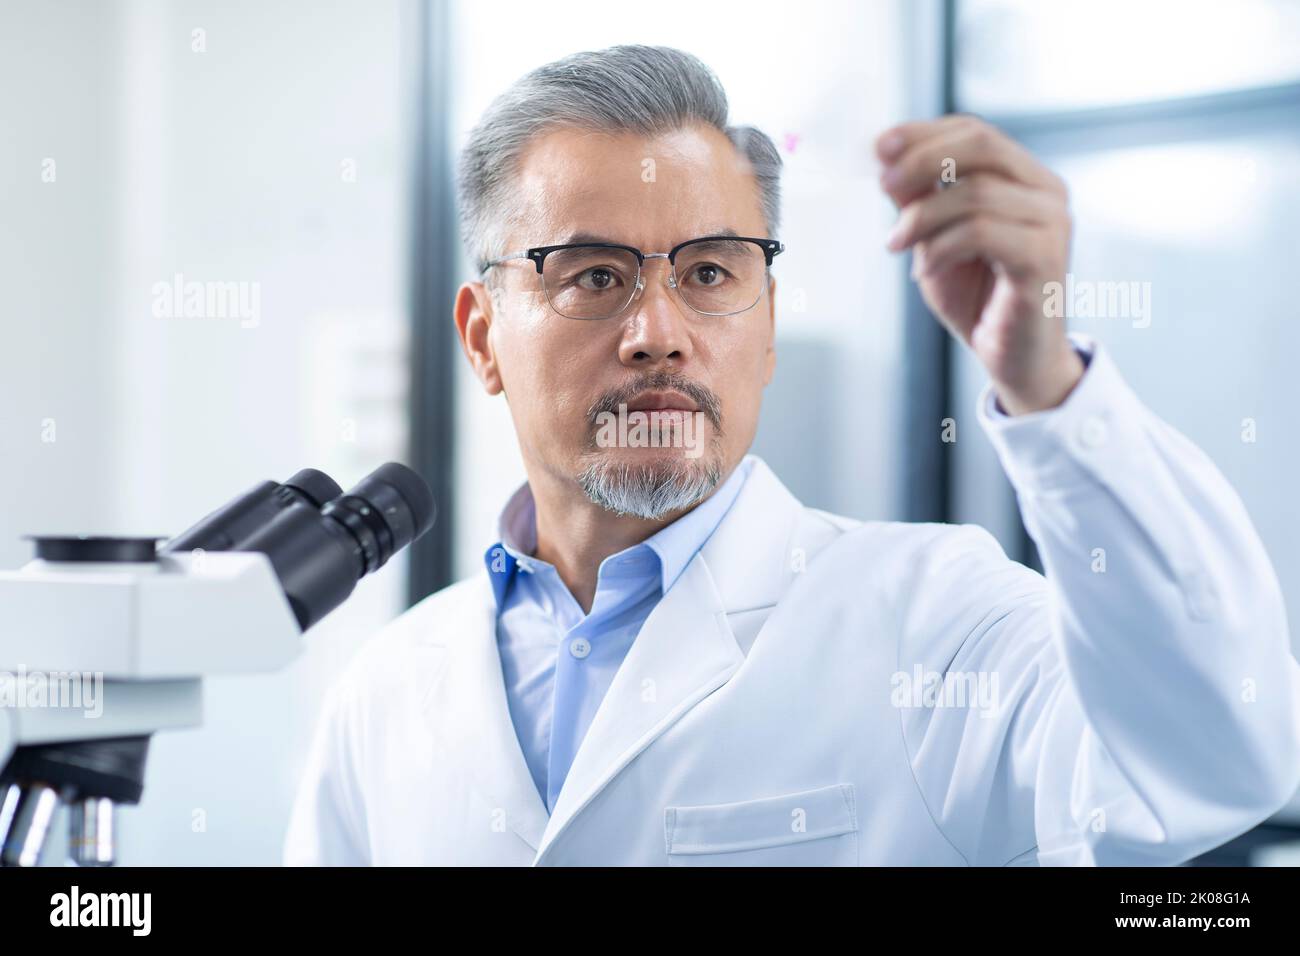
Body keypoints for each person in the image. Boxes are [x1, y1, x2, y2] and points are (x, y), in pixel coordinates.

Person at [284, 45, 1300, 866]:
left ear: (765, 322)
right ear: (480, 335)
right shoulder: (386, 690)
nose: (657, 331)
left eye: (710, 270)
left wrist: (1051, 390)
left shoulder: (934, 622)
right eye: (592, 275)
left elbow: (1219, 756)